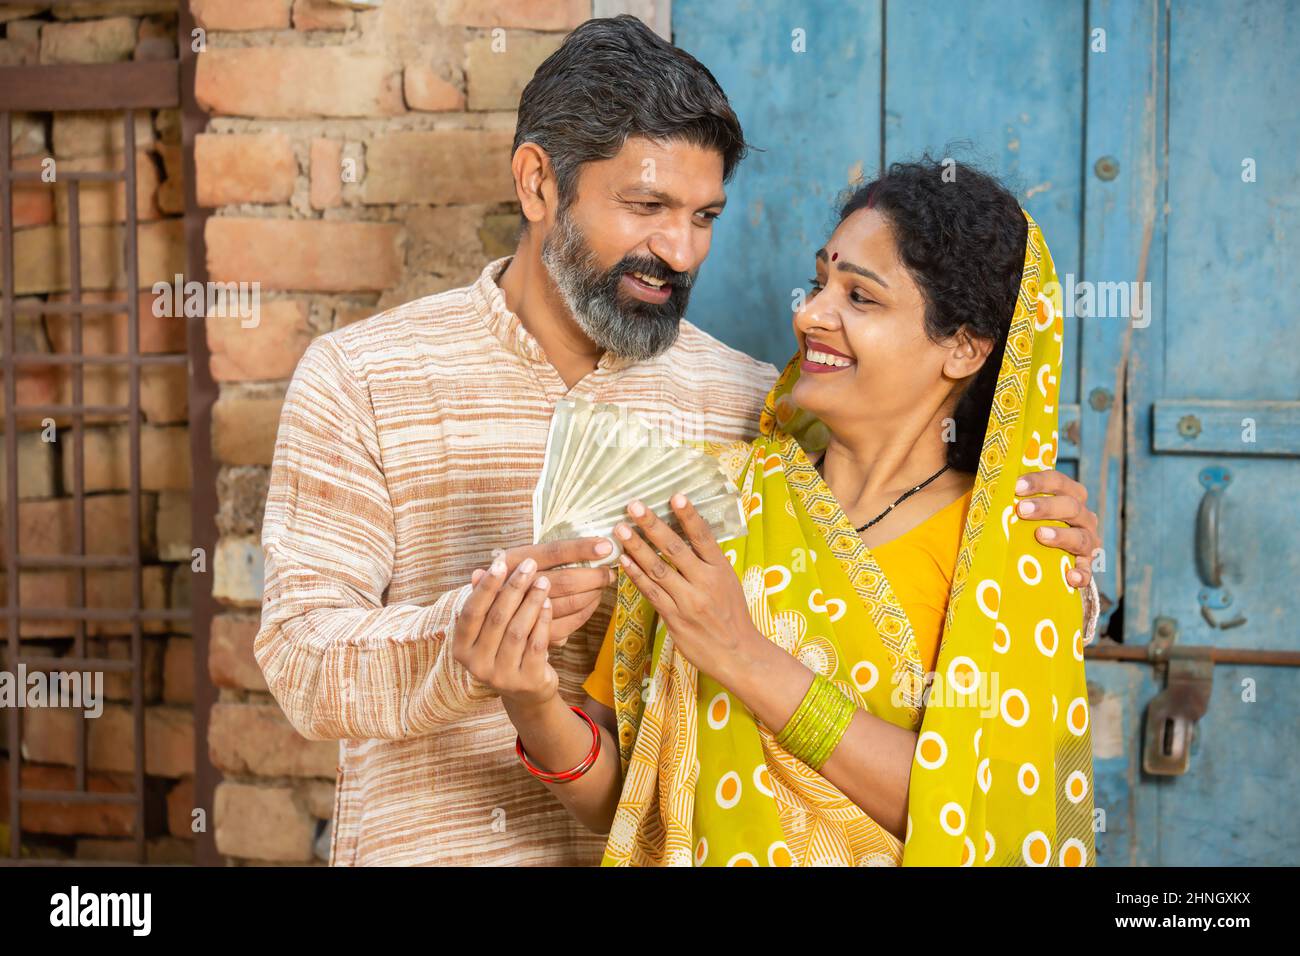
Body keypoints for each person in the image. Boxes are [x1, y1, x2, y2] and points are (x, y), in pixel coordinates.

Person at [256, 16, 1100, 866]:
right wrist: (473, 644)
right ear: (538, 183)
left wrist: (1055, 562)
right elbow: (298, 663)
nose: (681, 250)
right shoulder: (363, 377)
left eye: (704, 215)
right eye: (647, 206)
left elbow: (921, 586)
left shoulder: (752, 412)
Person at [486, 158, 1098, 867]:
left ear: (963, 347)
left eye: (860, 298)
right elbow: (622, 802)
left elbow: (988, 810)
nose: (809, 313)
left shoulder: (1013, 544)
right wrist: (528, 700)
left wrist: (744, 657)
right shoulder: (714, 502)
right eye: (818, 283)